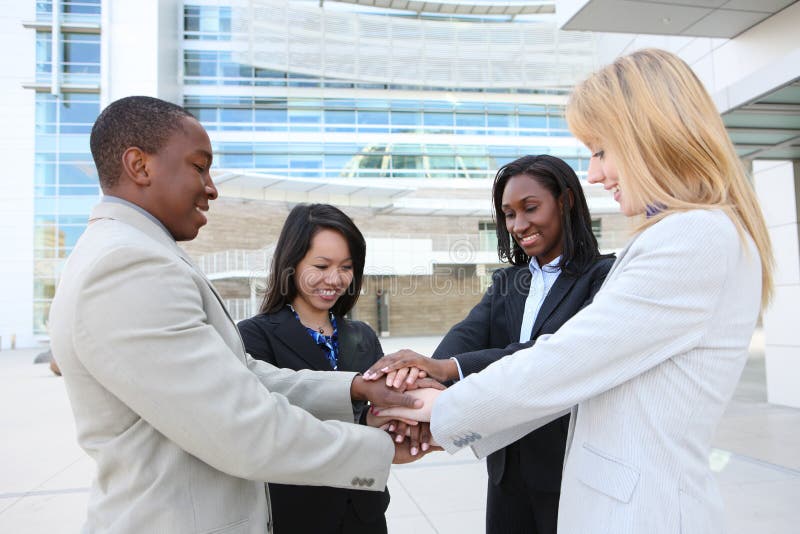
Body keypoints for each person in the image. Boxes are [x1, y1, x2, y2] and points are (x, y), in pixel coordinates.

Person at [369, 48, 773, 533]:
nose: (596, 173)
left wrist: (444, 411)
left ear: (652, 136)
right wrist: (442, 409)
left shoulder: (691, 237)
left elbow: (566, 359)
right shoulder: (690, 235)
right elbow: (560, 370)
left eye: (602, 150)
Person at [47, 96, 430, 534]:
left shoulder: (135, 254)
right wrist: (377, 448)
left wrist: (356, 388)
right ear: (139, 165)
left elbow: (241, 375)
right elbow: (241, 428)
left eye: (345, 267)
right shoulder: (128, 266)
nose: (211, 187)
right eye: (198, 166)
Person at [369, 154, 613, 534]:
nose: (518, 225)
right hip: (506, 465)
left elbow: (549, 352)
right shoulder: (509, 281)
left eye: (530, 208)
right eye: (508, 214)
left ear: (565, 202)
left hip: (567, 465)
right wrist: (425, 381)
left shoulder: (602, 279)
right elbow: (468, 333)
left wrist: (449, 369)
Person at [238, 203, 392, 534]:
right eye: (321, 265)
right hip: (296, 514)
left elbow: (366, 419)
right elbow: (266, 425)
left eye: (347, 267)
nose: (335, 279)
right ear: (291, 264)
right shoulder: (254, 335)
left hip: (364, 511)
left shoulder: (361, 335)